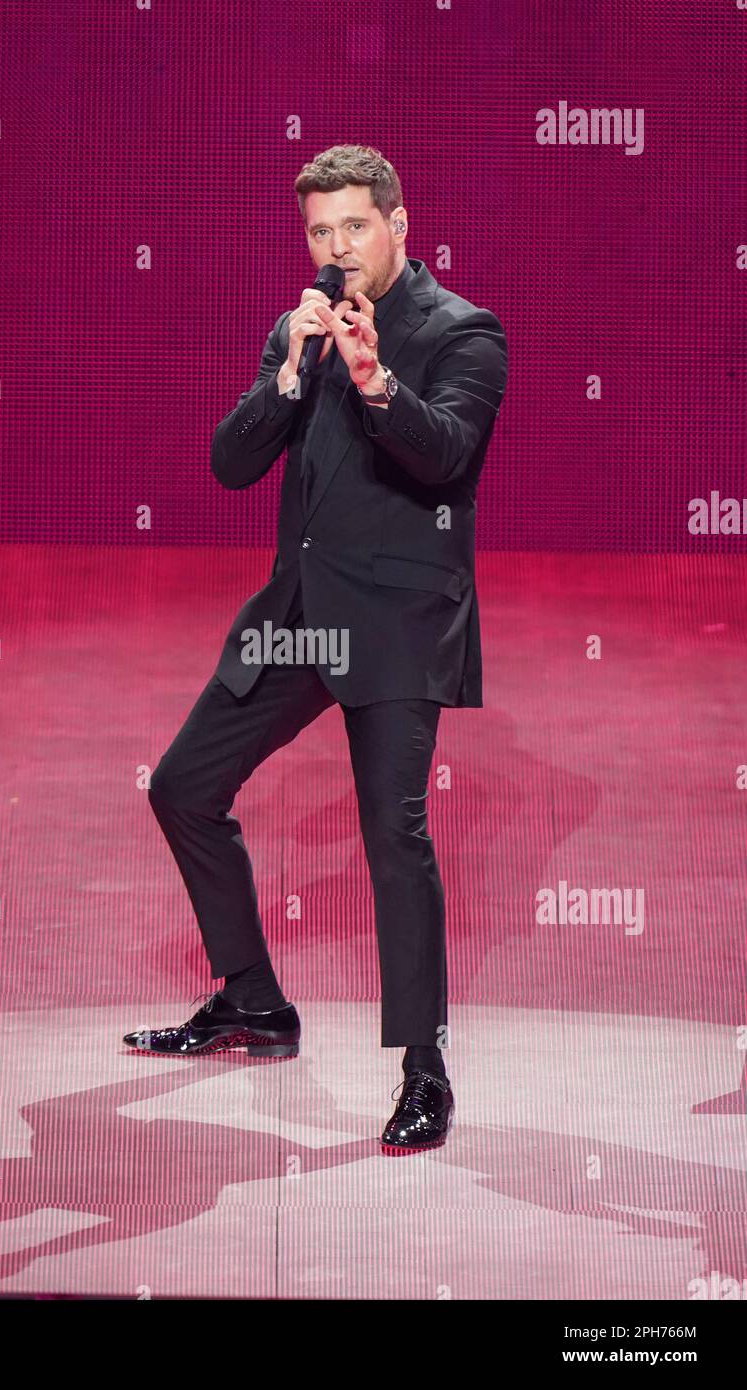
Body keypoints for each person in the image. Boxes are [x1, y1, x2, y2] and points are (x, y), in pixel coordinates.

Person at [124, 144, 508, 1153]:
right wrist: (292, 373)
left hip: (398, 617)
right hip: (297, 612)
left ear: (398, 224)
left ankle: (424, 1069)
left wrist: (376, 380)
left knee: (396, 838)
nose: (337, 248)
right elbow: (230, 465)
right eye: (320, 231)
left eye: (354, 227)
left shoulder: (465, 332)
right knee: (180, 786)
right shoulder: (295, 328)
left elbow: (445, 455)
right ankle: (253, 999)